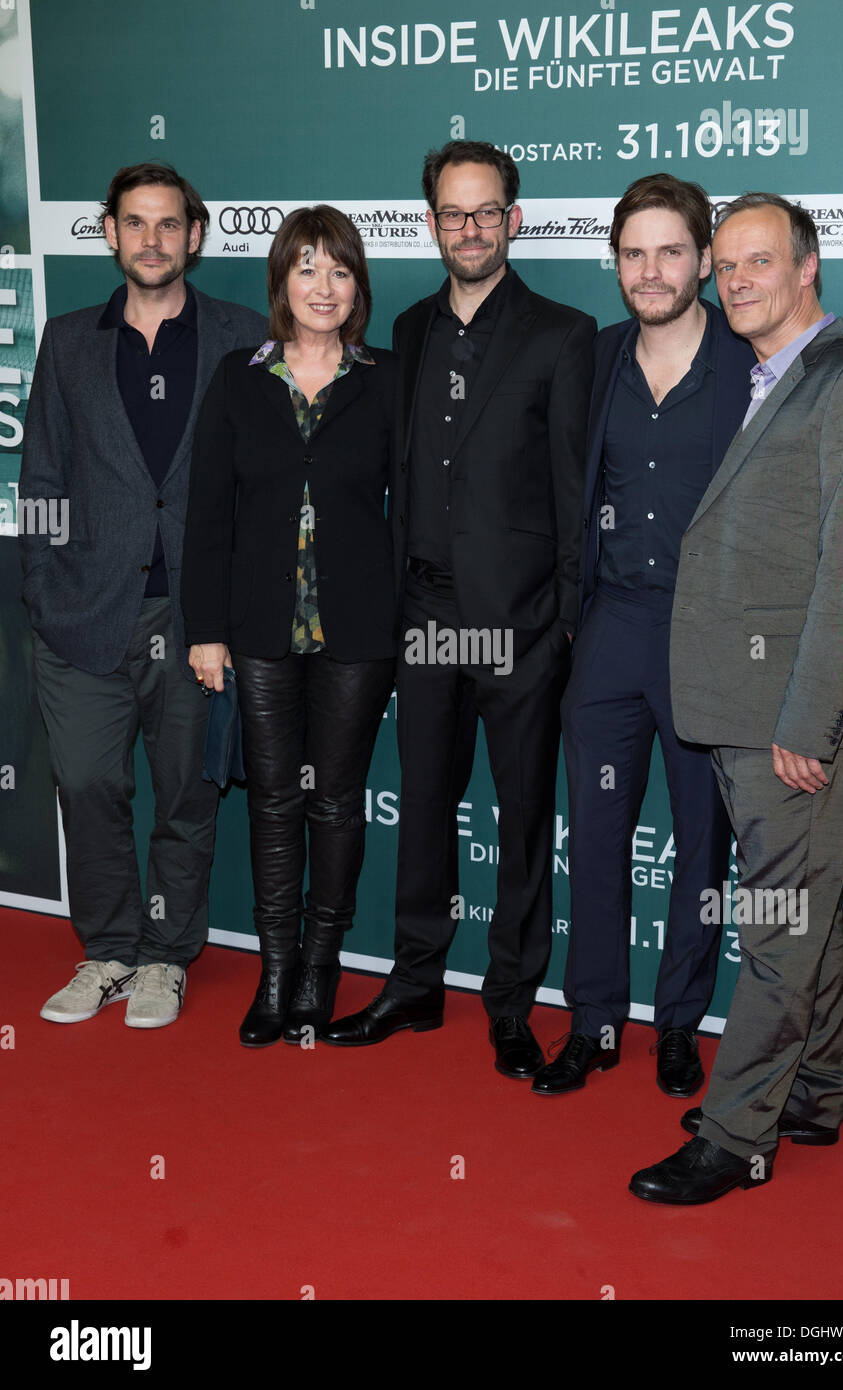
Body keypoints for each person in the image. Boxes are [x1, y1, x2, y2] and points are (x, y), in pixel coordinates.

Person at [630, 192, 843, 1203]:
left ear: (808, 266)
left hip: (790, 714)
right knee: (802, 909)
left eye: (758, 261)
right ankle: (816, 1089)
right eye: (726, 265)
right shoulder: (769, 376)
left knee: (777, 925)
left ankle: (736, 1132)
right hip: (743, 704)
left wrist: (807, 720)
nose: (736, 280)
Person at [324, 140, 596, 1078]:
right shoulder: (406, 330)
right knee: (426, 809)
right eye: (452, 213)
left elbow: (572, 490)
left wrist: (560, 622)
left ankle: (512, 1002)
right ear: (431, 222)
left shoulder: (563, 334)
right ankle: (414, 984)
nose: (469, 228)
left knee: (521, 819)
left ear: (512, 221)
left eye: (486, 212)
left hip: (519, 625)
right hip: (427, 616)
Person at [20, 162, 267, 1030]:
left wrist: (233, 612)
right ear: (111, 234)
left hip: (195, 620)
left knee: (185, 794)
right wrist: (47, 588)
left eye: (169, 225)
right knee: (88, 785)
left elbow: (259, 482)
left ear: (194, 237)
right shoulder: (68, 341)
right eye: (135, 224)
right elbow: (42, 474)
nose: (152, 240)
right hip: (82, 613)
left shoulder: (243, 335)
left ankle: (164, 956)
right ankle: (107, 949)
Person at [533, 174, 755, 1099]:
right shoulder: (594, 358)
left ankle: (677, 1027)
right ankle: (592, 1022)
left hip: (708, 637)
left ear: (703, 260)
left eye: (671, 251)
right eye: (633, 253)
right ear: (614, 262)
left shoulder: (750, 367)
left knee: (701, 843)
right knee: (593, 833)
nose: (651, 270)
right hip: (611, 631)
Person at [181, 205, 397, 1048]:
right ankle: (274, 974)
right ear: (281, 281)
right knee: (273, 801)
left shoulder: (383, 380)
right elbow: (208, 515)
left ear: (357, 288)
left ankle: (320, 967)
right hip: (258, 625)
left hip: (357, 629)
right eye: (307, 268)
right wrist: (206, 629)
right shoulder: (239, 376)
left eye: (339, 271)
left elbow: (408, 512)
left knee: (336, 802)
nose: (323, 286)